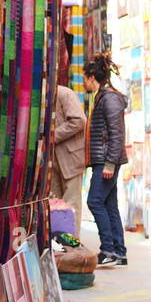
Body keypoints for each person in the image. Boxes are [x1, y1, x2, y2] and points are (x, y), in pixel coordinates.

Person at [83, 54, 128, 268]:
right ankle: (119, 251)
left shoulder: (109, 99)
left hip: (106, 161)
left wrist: (109, 164)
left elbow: (116, 134)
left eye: (85, 77)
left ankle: (108, 249)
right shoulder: (104, 97)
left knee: (94, 201)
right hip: (104, 159)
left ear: (92, 77)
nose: (84, 82)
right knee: (109, 205)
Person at [51, 83, 87, 233]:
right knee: (55, 205)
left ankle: (72, 247)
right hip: (53, 160)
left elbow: (79, 120)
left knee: (72, 206)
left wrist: (53, 136)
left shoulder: (65, 93)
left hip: (71, 158)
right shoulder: (44, 96)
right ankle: (59, 245)